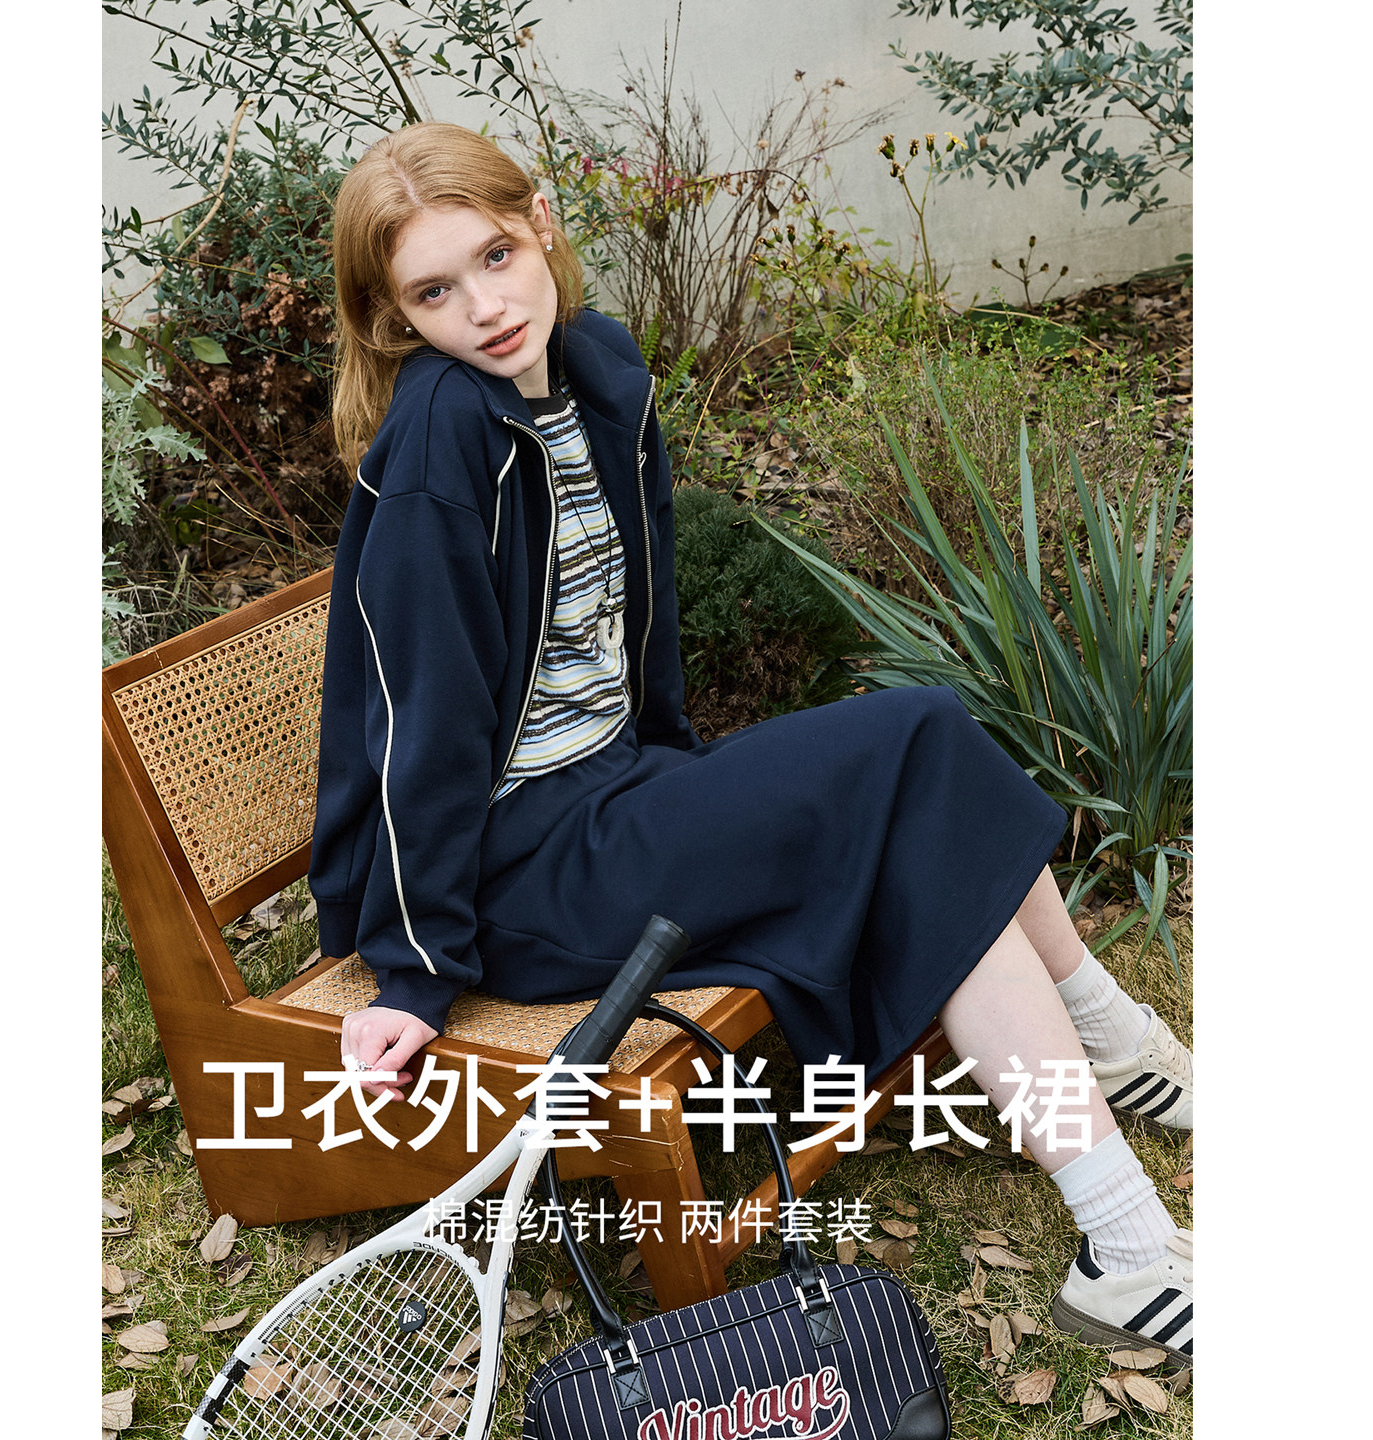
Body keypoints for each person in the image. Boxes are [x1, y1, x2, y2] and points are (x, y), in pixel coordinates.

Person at [309, 121, 1193, 1366]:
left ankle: (1125, 1227)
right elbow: (422, 723)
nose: (486, 307)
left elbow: (644, 609)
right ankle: (1111, 1062)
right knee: (919, 734)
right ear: (394, 317)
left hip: (619, 796)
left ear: (543, 223)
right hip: (516, 872)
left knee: (922, 815)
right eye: (434, 291)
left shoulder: (597, 373)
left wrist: (682, 771)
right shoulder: (440, 443)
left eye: (496, 256)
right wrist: (412, 971)